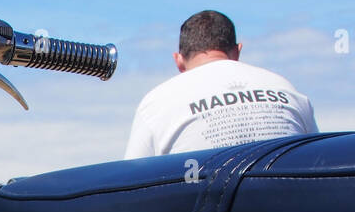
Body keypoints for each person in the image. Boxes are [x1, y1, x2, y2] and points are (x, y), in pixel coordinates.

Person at [124, 10, 317, 159]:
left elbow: (131, 184)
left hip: (204, 208)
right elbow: (316, 162)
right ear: (238, 51)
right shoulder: (285, 87)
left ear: (179, 60)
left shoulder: (157, 102)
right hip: (288, 206)